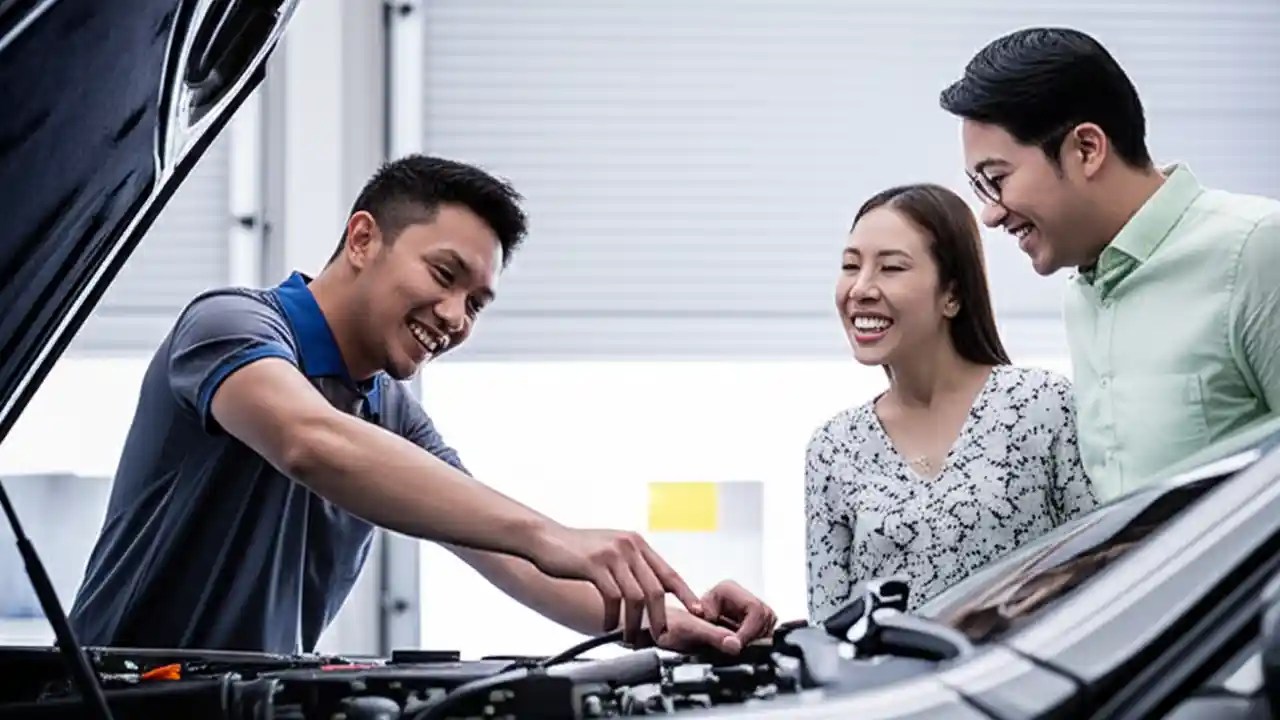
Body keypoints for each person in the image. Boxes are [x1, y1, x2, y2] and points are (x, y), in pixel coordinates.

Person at [68, 154, 776, 656]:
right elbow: (310, 442)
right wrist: (550, 532)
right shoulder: (230, 326)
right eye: (444, 275)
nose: (456, 316)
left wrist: (675, 619)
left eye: (477, 301)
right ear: (363, 238)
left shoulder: (392, 411)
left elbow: (514, 561)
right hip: (110, 698)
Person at [939, 27, 1280, 502]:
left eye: (997, 180)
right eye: (980, 188)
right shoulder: (1082, 297)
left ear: (1087, 149)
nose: (990, 213)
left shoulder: (1257, 250)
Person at [804, 183, 1099, 621]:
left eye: (891, 268)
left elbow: (1102, 573)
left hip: (1030, 683)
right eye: (851, 266)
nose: (860, 289)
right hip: (898, 690)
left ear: (952, 295)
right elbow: (829, 633)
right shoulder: (834, 448)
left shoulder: (1042, 404)